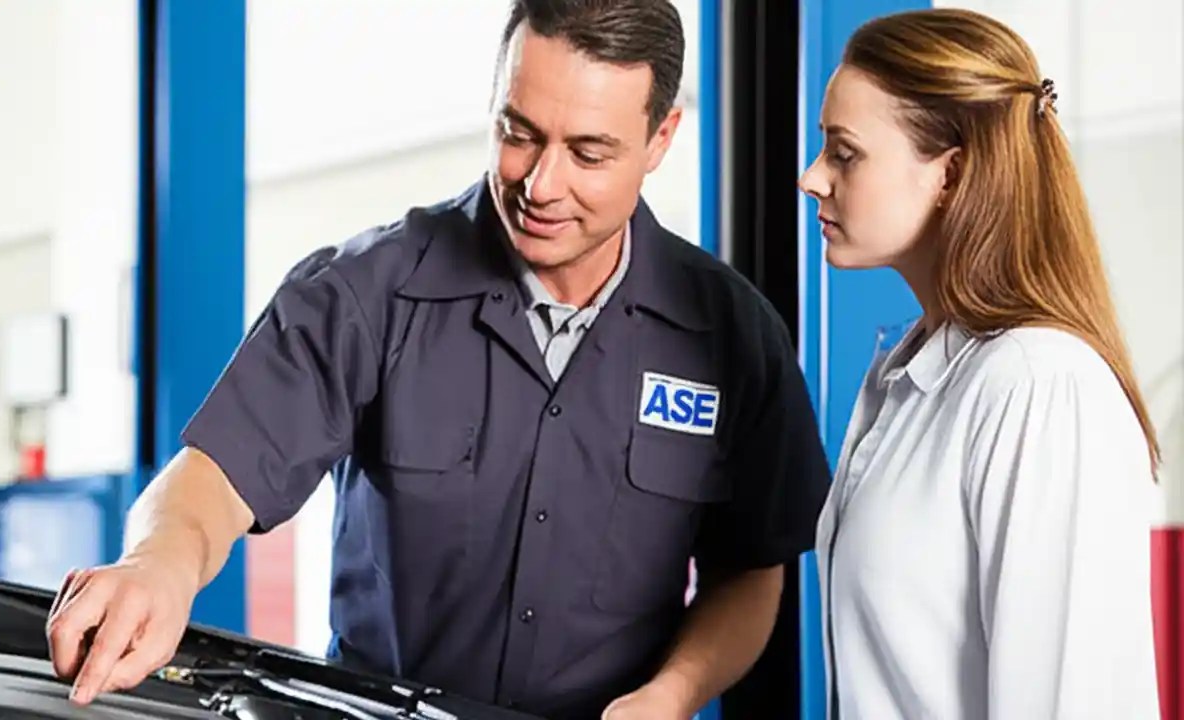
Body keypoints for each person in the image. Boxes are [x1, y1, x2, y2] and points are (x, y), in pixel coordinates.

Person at [46, 1, 831, 717]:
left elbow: (751, 571)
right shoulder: (366, 293)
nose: (541, 184)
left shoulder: (731, 336)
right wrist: (158, 565)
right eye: (518, 132)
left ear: (661, 139)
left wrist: (672, 694)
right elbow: (212, 478)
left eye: (589, 152)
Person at [797, 8, 1162, 719]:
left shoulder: (1039, 384)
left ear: (952, 173)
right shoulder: (907, 376)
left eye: (844, 153)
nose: (813, 178)